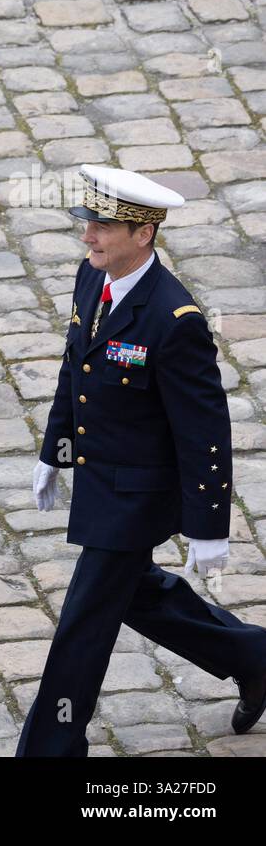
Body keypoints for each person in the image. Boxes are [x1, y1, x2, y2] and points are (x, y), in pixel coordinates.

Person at [17, 164, 266, 756]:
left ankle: (50, 749)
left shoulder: (175, 321)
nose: (89, 236)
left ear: (144, 234)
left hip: (138, 495)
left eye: (104, 226)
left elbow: (204, 429)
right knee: (135, 594)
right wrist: (56, 452)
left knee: (85, 619)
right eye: (89, 222)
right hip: (100, 476)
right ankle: (253, 656)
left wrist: (208, 525)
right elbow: (74, 369)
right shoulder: (92, 277)